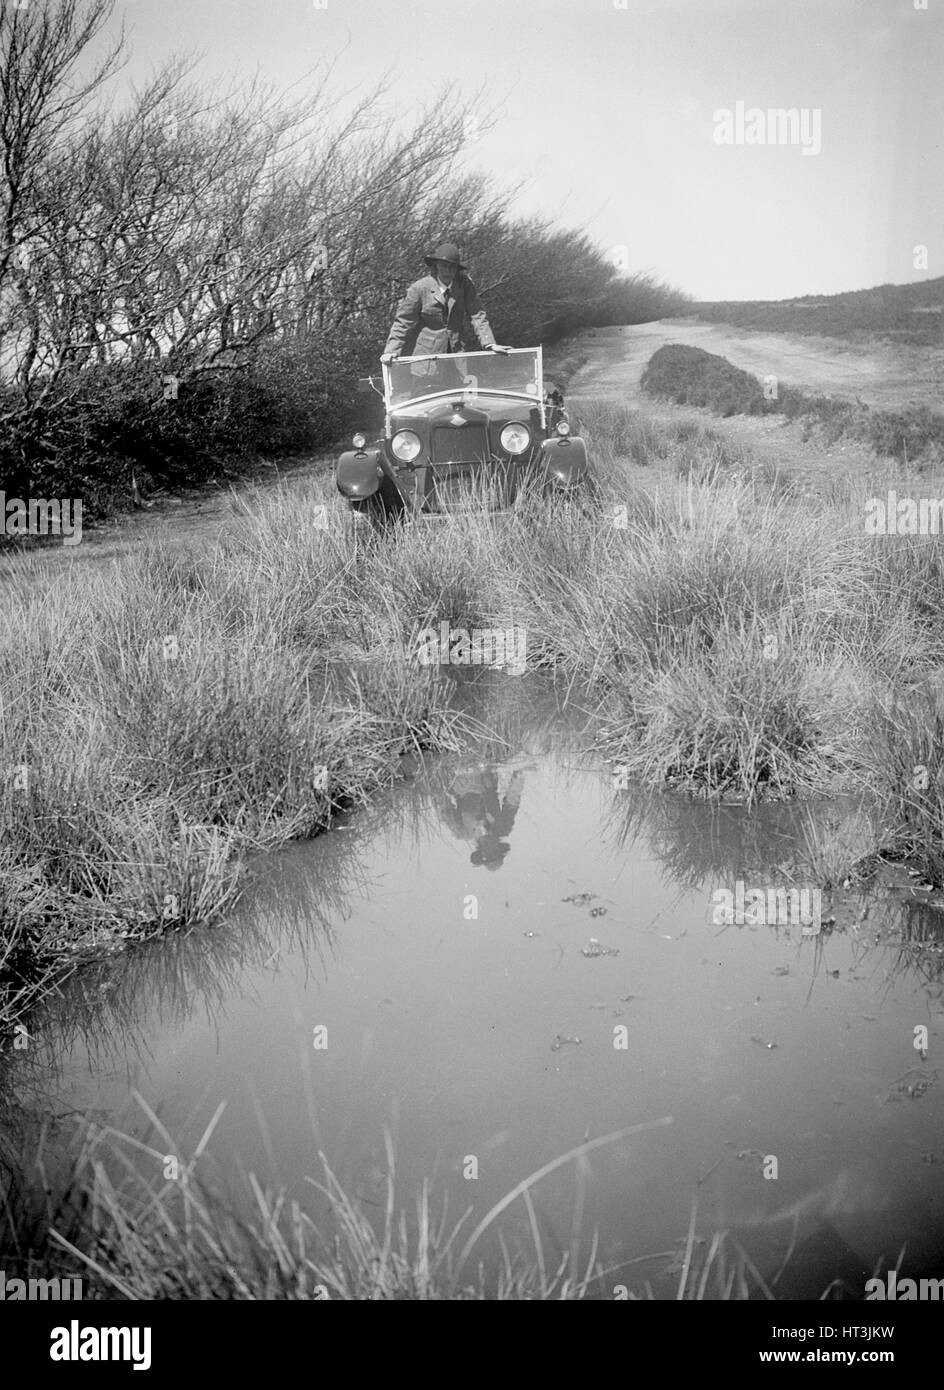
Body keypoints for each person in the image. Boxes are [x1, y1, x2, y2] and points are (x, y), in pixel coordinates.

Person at [381, 242, 512, 367]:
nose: (448, 270)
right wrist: (391, 351)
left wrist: (489, 344)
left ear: (457, 269)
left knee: (460, 390)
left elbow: (477, 314)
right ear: (436, 265)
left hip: (457, 358)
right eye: (443, 265)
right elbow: (403, 321)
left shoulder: (465, 285)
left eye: (452, 266)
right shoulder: (419, 288)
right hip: (425, 361)